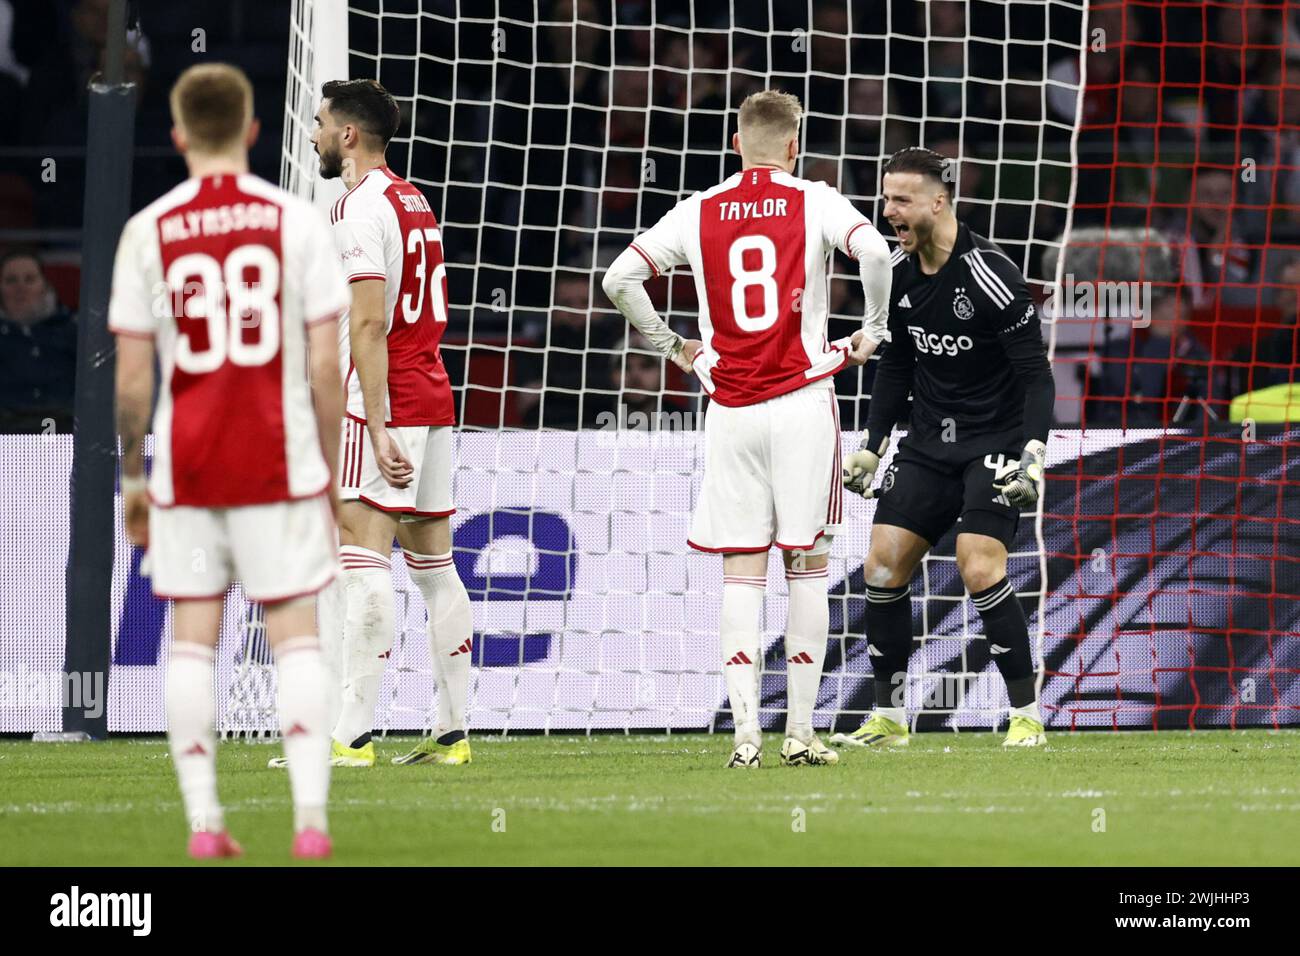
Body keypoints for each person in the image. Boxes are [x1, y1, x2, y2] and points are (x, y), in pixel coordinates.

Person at [603, 90, 891, 768]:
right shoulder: (813, 198)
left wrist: (678, 348)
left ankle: (743, 739)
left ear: (737, 144)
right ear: (794, 145)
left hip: (729, 407)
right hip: (800, 402)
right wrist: (873, 330)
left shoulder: (700, 207)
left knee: (741, 571)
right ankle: (799, 733)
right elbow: (875, 253)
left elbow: (620, 278)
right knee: (807, 565)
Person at [111, 63, 347, 859]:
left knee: (192, 640)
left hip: (188, 463)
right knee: (297, 638)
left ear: (177, 135)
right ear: (252, 132)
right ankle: (310, 823)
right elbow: (324, 367)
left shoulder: (149, 230)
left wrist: (135, 479)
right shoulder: (297, 221)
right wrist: (323, 470)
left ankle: (206, 825)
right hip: (277, 460)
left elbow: (134, 379)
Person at [834, 146, 1055, 750]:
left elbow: (1037, 377)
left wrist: (1033, 452)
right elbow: (896, 367)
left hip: (995, 442)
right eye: (885, 200)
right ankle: (889, 717)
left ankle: (1026, 715)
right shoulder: (898, 277)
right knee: (882, 564)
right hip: (929, 444)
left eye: (901, 200)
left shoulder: (991, 273)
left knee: (978, 564)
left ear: (939, 202)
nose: (889, 212)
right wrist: (873, 447)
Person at [305, 78, 475, 769]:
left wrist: (374, 423)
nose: (314, 134)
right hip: (433, 389)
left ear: (349, 135)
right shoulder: (414, 199)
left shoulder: (357, 206)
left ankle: (351, 735)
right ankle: (453, 734)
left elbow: (370, 320)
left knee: (362, 555)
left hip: (388, 397)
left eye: (320, 124)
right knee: (435, 568)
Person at [0, 248, 76, 433]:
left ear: (45, 286)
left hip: (67, 433)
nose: (20, 288)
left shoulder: (74, 331)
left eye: (29, 279)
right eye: (11, 280)